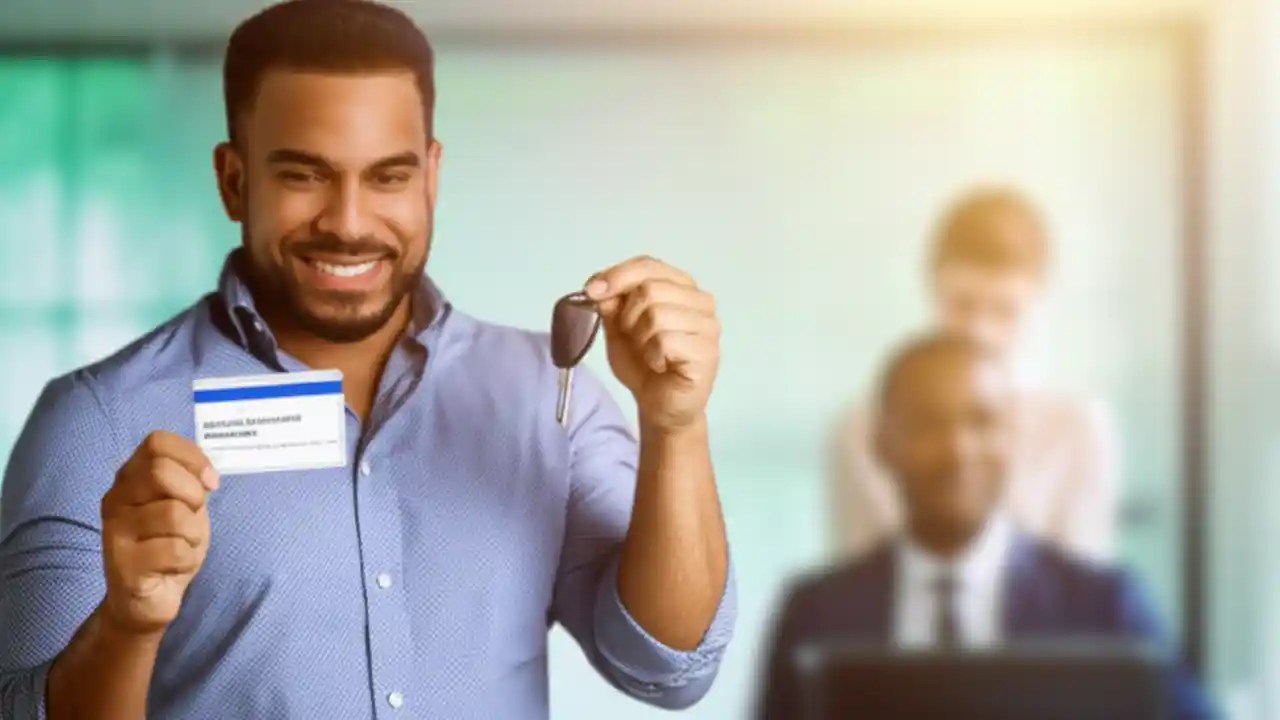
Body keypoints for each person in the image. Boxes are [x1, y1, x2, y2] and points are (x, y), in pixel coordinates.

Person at [0, 3, 733, 718]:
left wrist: (676, 426)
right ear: (233, 179)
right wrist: (129, 624)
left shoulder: (547, 392)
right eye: (304, 175)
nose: (349, 224)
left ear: (430, 177)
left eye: (387, 177)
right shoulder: (99, 421)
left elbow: (668, 669)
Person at [760, 334, 1213, 720]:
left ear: (1013, 439)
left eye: (983, 422)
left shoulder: (1105, 606)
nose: (959, 450)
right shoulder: (814, 614)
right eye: (928, 424)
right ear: (883, 445)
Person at [829, 188, 1119, 562]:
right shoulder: (863, 430)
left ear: (1039, 300)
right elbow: (853, 588)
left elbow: (1083, 591)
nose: (979, 332)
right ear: (932, 288)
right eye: (962, 304)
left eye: (1005, 310)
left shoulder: (1079, 428)